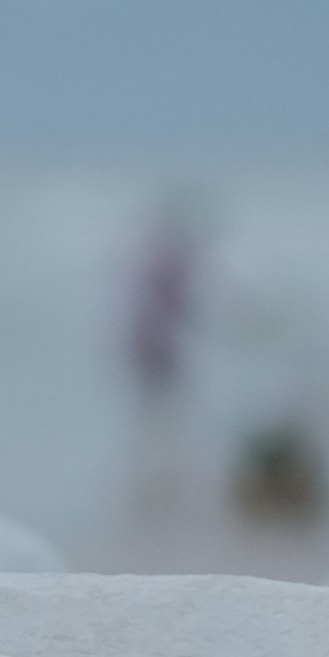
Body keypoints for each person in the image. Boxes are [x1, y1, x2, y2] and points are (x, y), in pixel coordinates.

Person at [119, 184, 207, 516]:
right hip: (159, 350)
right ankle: (157, 485)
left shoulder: (152, 251)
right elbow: (182, 307)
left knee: (152, 415)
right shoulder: (175, 257)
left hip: (145, 347)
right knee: (163, 415)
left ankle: (152, 484)